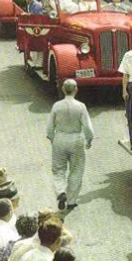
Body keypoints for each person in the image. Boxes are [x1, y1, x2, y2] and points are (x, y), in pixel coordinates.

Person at [46, 80, 94, 212]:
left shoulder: (56, 106)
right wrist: (89, 139)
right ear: (76, 89)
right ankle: (72, 201)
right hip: (76, 138)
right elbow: (88, 127)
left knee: (58, 169)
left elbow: (50, 127)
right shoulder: (80, 106)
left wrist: (52, 138)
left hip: (60, 137)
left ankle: (61, 191)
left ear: (63, 89)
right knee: (76, 170)